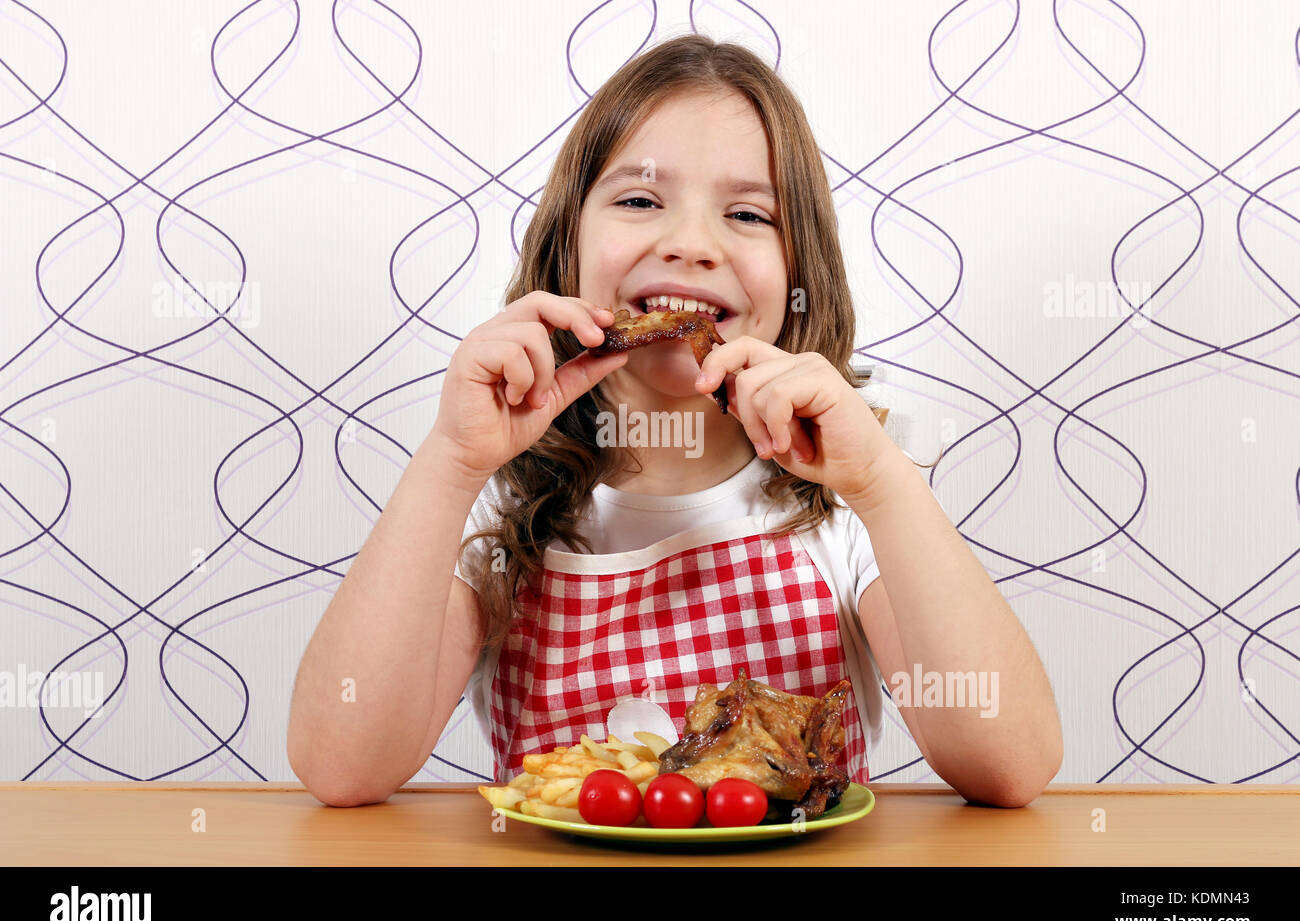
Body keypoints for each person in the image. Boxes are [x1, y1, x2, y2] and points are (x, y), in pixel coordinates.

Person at [287, 34, 1063, 809]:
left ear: (802, 274)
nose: (692, 244)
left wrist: (885, 485)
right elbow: (342, 766)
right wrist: (451, 462)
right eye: (639, 200)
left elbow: (1010, 764)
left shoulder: (844, 501)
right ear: (568, 246)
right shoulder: (500, 500)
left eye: (748, 213)